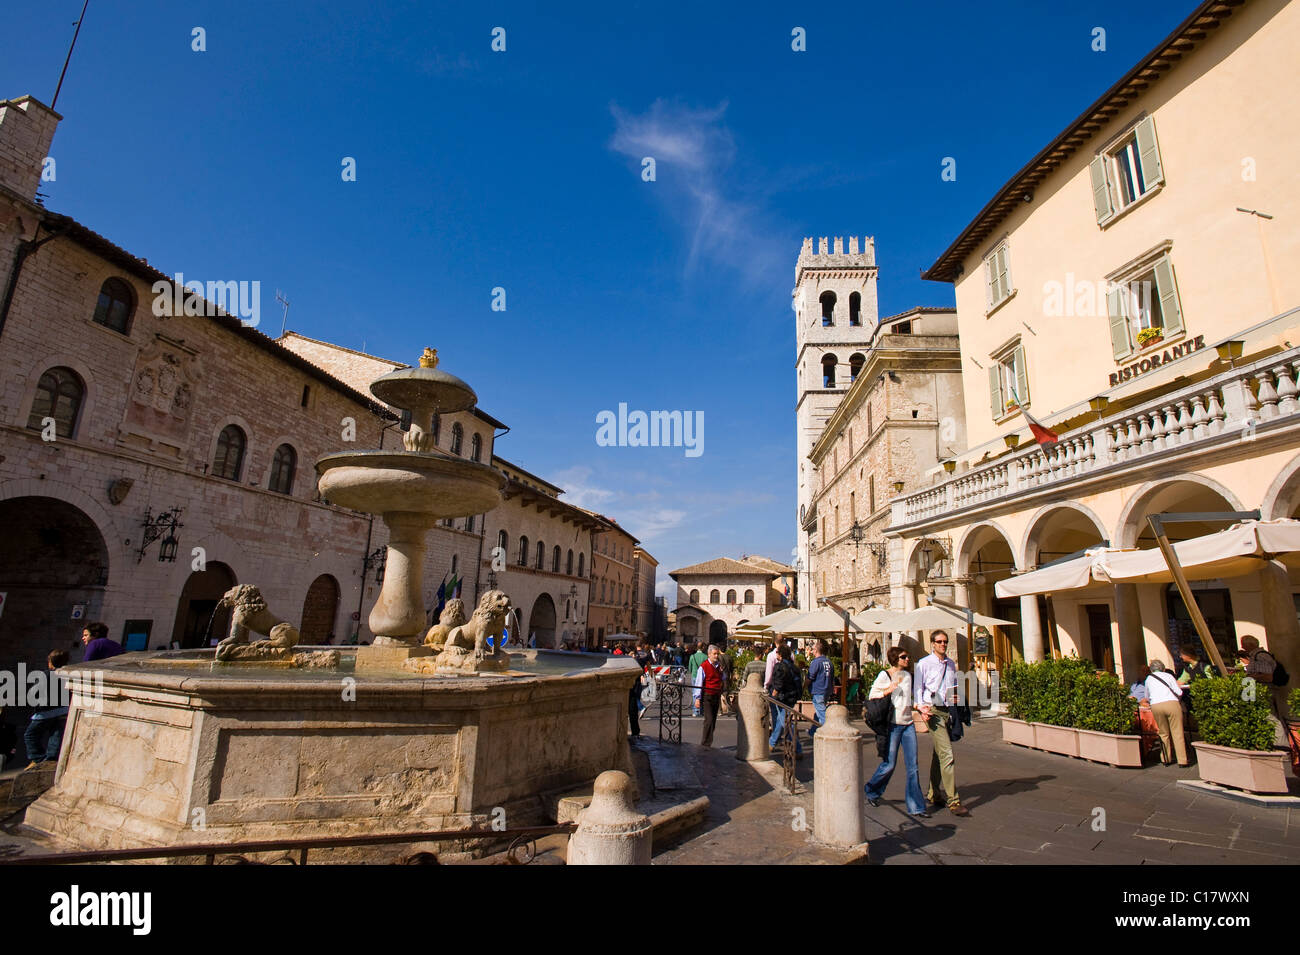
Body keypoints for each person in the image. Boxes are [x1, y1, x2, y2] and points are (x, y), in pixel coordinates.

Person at [863, 647, 927, 816]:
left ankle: (916, 807)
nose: (907, 659)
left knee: (913, 766)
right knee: (889, 764)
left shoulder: (907, 676)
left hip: (908, 724)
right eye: (903, 657)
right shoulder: (886, 675)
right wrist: (888, 690)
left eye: (907, 656)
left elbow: (908, 699)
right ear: (895, 659)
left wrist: (919, 707)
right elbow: (872, 696)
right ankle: (871, 790)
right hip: (892, 725)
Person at [914, 631, 969, 816]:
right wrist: (922, 709)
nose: (943, 644)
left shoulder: (951, 664)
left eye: (945, 642)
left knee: (939, 753)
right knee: (947, 753)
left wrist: (956, 697)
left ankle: (933, 793)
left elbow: (952, 686)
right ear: (932, 643)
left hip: (947, 711)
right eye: (939, 642)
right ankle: (954, 801)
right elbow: (918, 688)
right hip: (932, 711)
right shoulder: (924, 663)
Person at [24, 649, 70, 769]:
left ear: (50, 662)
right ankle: (51, 759)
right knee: (55, 735)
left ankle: (38, 758)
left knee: (30, 735)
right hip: (63, 711)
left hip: (45, 712)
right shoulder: (67, 676)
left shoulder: (45, 675)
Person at [1145, 659, 1189, 766]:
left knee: (1163, 733)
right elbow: (1179, 691)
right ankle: (1182, 761)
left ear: (1151, 670)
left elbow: (1147, 696)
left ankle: (1165, 759)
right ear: (1163, 668)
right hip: (1171, 703)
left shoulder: (1149, 679)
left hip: (1156, 705)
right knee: (1177, 732)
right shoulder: (1169, 676)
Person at [767, 644, 804, 758]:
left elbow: (778, 685)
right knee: (781, 720)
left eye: (777, 652)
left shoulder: (780, 666)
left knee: (785, 722)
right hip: (791, 697)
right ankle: (773, 743)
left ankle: (796, 748)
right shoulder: (794, 667)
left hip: (782, 698)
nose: (776, 654)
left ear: (781, 654)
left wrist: (773, 695)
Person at [694, 644, 727, 747]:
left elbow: (724, 678)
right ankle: (705, 744)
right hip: (707, 695)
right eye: (714, 654)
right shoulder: (703, 667)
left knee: (713, 721)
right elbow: (698, 683)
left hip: (716, 695)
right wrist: (697, 699)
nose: (716, 656)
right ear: (709, 654)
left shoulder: (719, 666)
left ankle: (708, 742)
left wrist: (722, 673)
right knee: (708, 720)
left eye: (717, 654)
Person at [806, 640, 833, 738]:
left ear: (817, 650)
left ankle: (828, 733)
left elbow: (810, 677)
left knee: (821, 713)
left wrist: (804, 686)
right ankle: (813, 731)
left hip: (818, 690)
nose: (812, 651)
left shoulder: (816, 662)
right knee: (818, 713)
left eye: (813, 649)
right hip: (826, 690)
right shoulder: (828, 662)